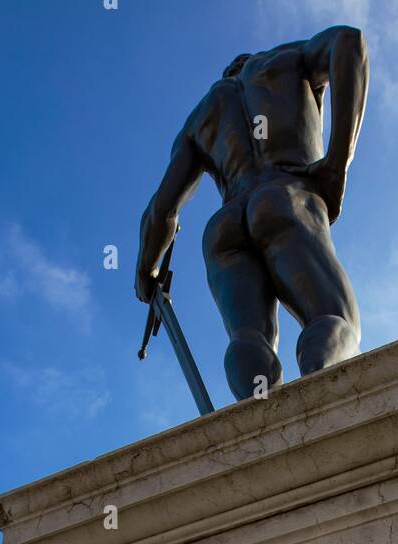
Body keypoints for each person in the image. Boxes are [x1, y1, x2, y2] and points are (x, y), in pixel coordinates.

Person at [135, 26, 369, 401]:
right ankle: (324, 406)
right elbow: (349, 42)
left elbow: (160, 210)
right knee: (333, 318)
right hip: (284, 197)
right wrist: (338, 161)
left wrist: (145, 272)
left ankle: (261, 425)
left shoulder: (202, 118)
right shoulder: (285, 61)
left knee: (248, 336)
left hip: (226, 226)